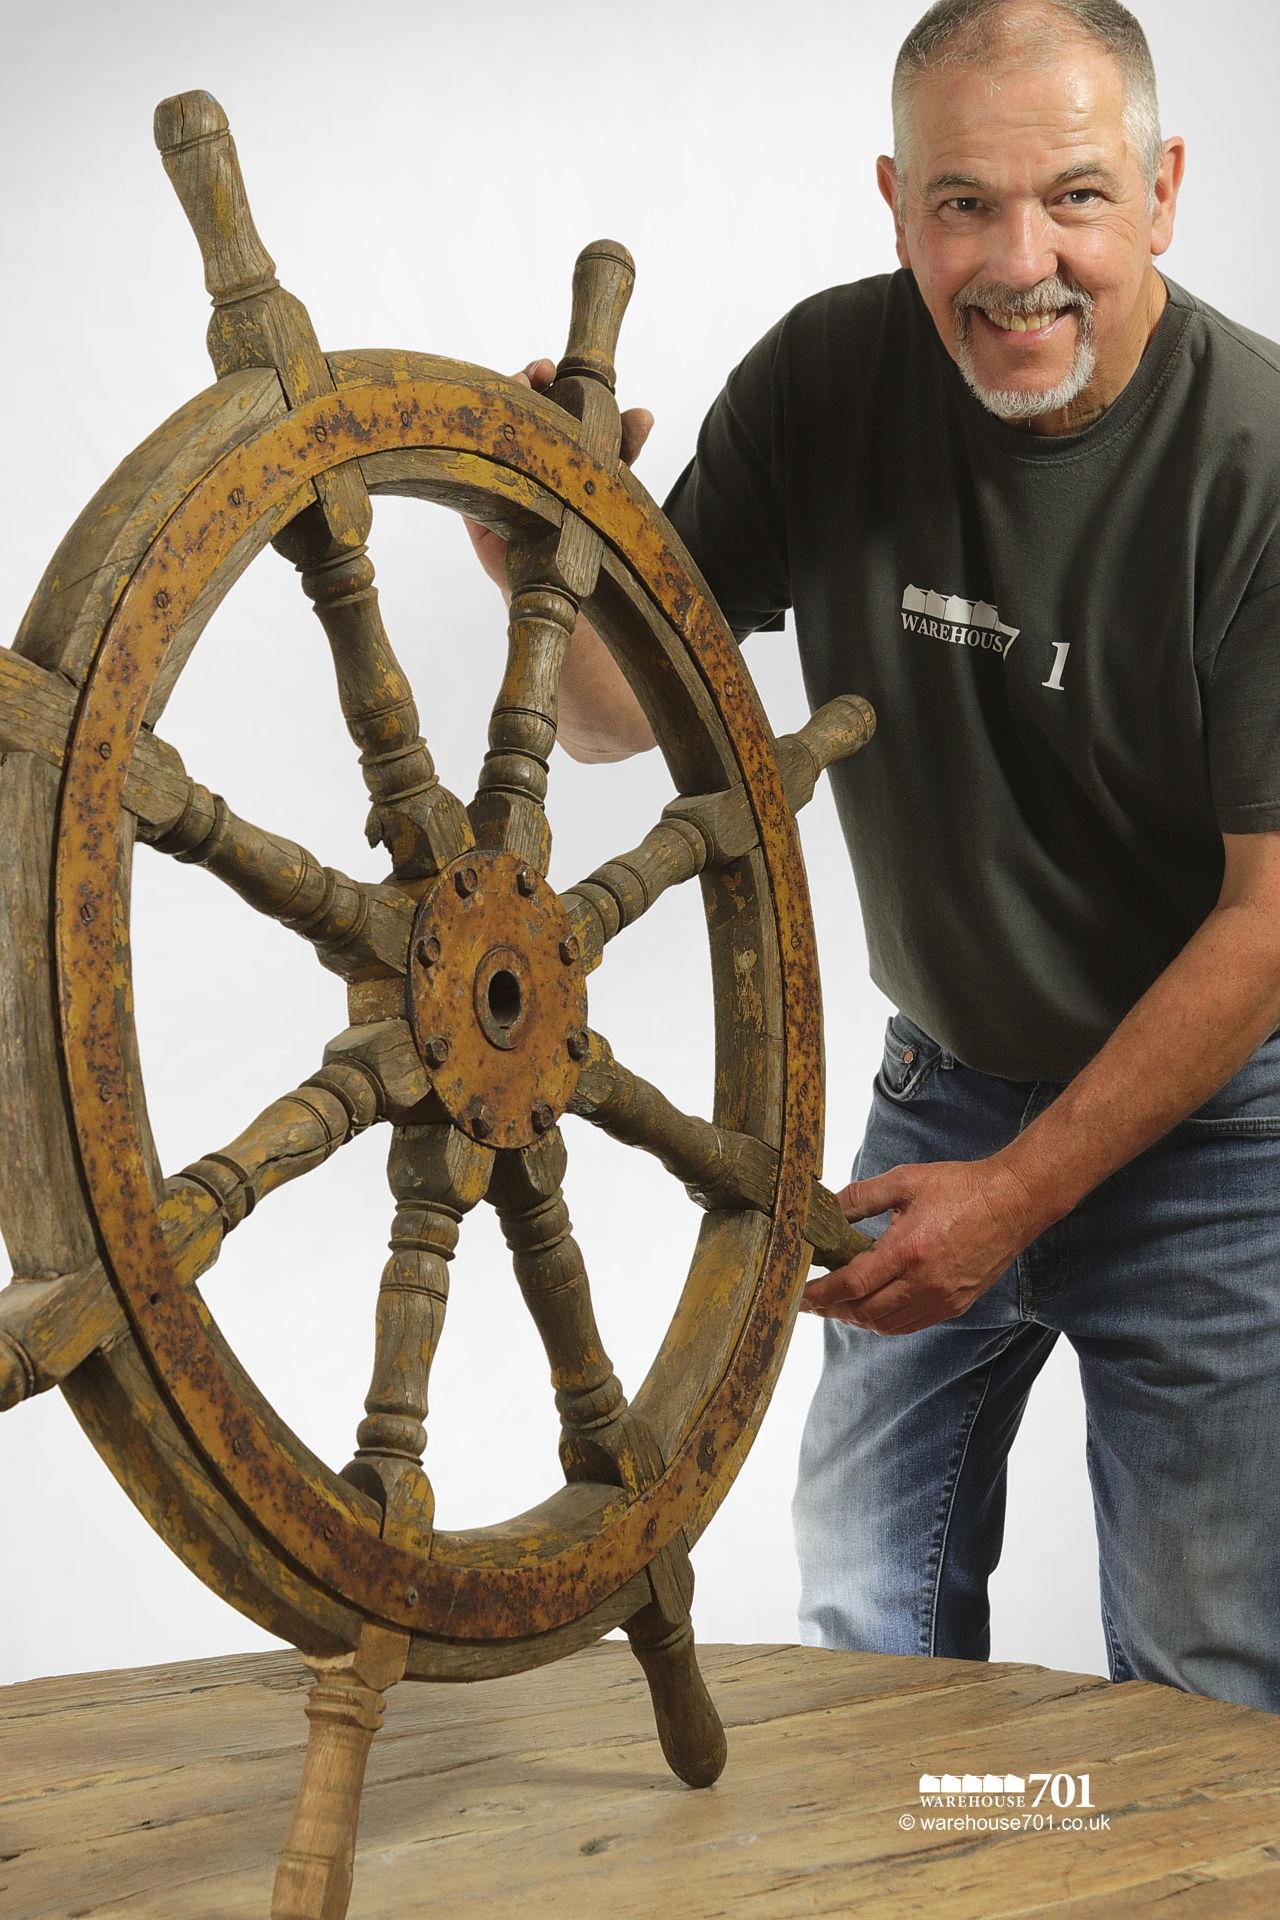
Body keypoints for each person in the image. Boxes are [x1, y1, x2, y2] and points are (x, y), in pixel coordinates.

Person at [464, 0, 1280, 1714]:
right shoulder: (827, 379)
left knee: (1210, 1682)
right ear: (897, 202)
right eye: (964, 205)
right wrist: (542, 550)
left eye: (1074, 196)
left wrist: (1021, 1199)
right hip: (938, 1092)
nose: (1020, 261)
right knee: (860, 1634)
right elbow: (622, 713)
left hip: (1220, 1134)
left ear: (1166, 189)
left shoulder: (1259, 472)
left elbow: (1270, 928)